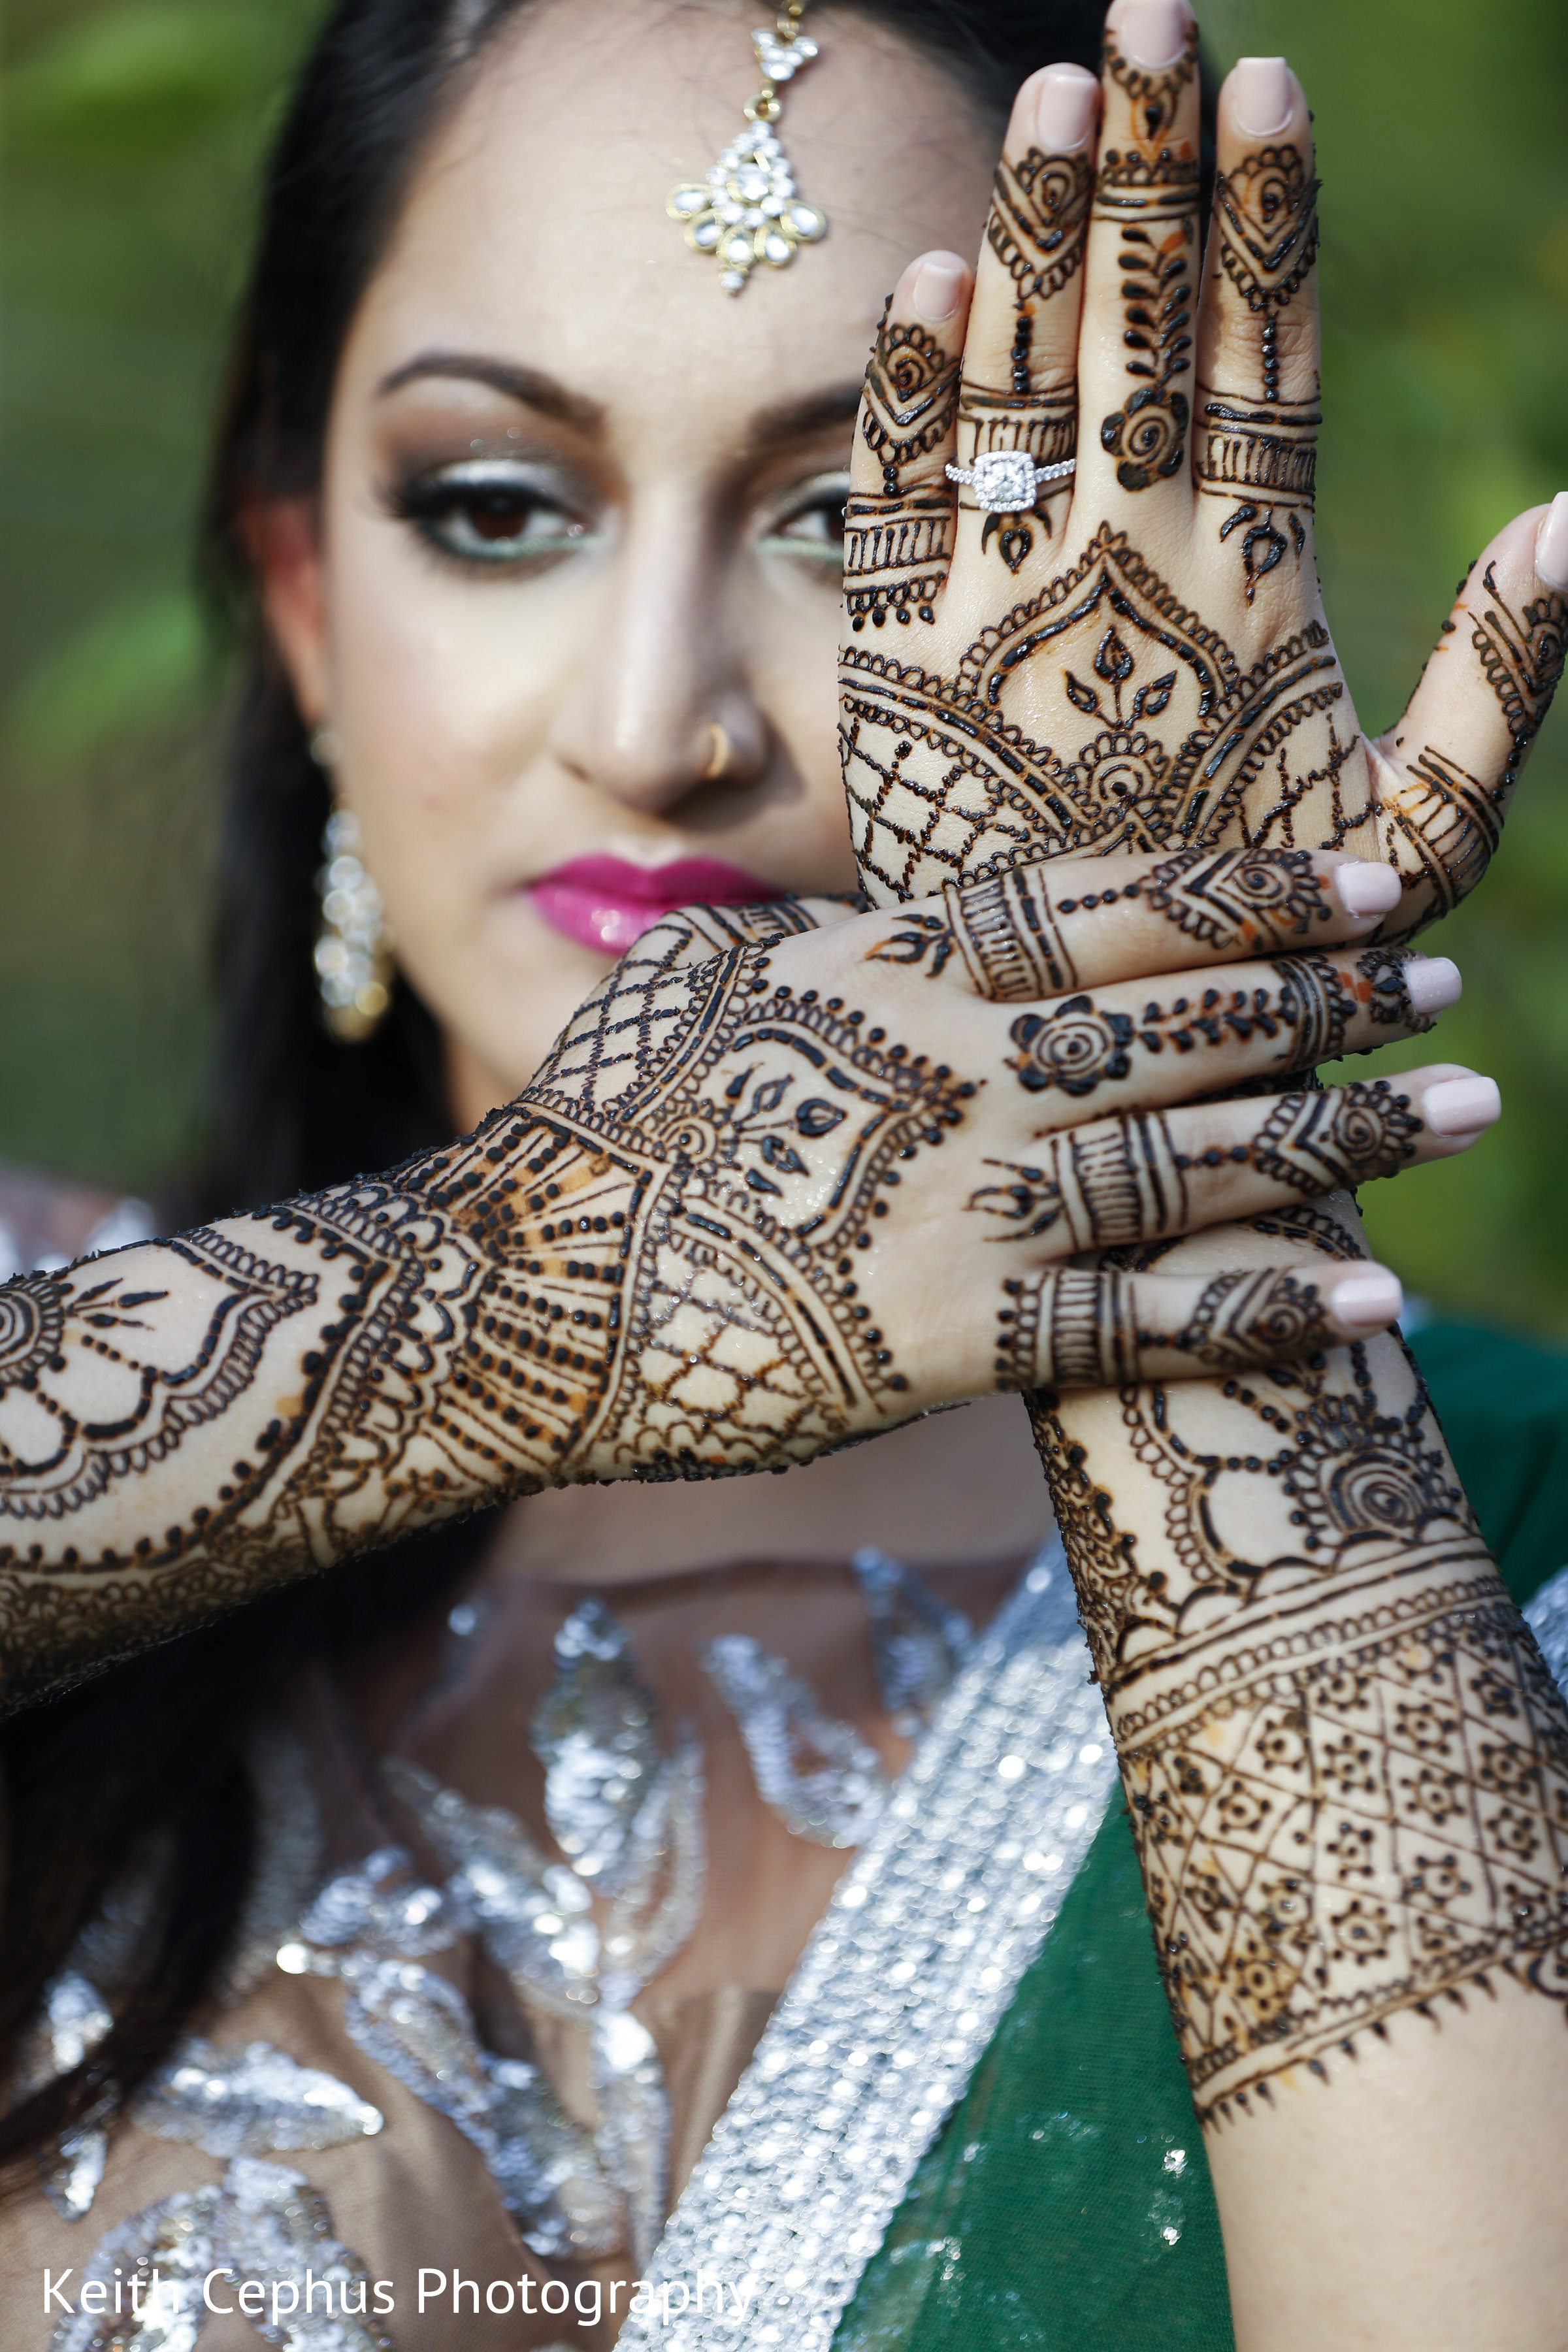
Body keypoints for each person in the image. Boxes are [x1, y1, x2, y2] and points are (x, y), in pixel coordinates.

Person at [1, 1, 1565, 2347]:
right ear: (309, 606)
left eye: (866, 520)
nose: (656, 724)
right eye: (496, 506)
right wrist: (523, 1308)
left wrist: (1189, 1215)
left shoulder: (1526, 1569)